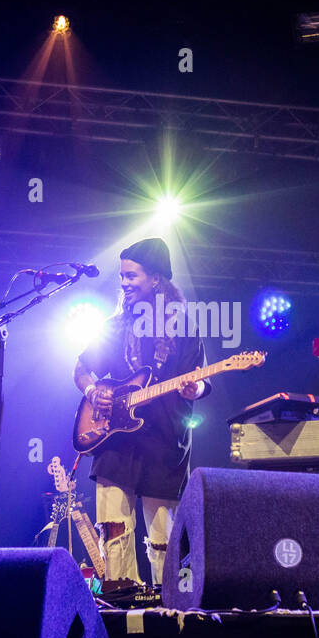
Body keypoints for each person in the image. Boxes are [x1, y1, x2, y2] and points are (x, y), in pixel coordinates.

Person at [73, 237, 209, 586]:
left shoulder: (184, 328)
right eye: (122, 276)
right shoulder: (115, 326)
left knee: (165, 544)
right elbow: (82, 368)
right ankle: (120, 608)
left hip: (164, 445)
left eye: (131, 276)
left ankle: (166, 616)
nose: (123, 283)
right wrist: (93, 391)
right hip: (116, 445)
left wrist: (198, 387)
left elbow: (204, 378)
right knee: (114, 532)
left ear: (156, 280)